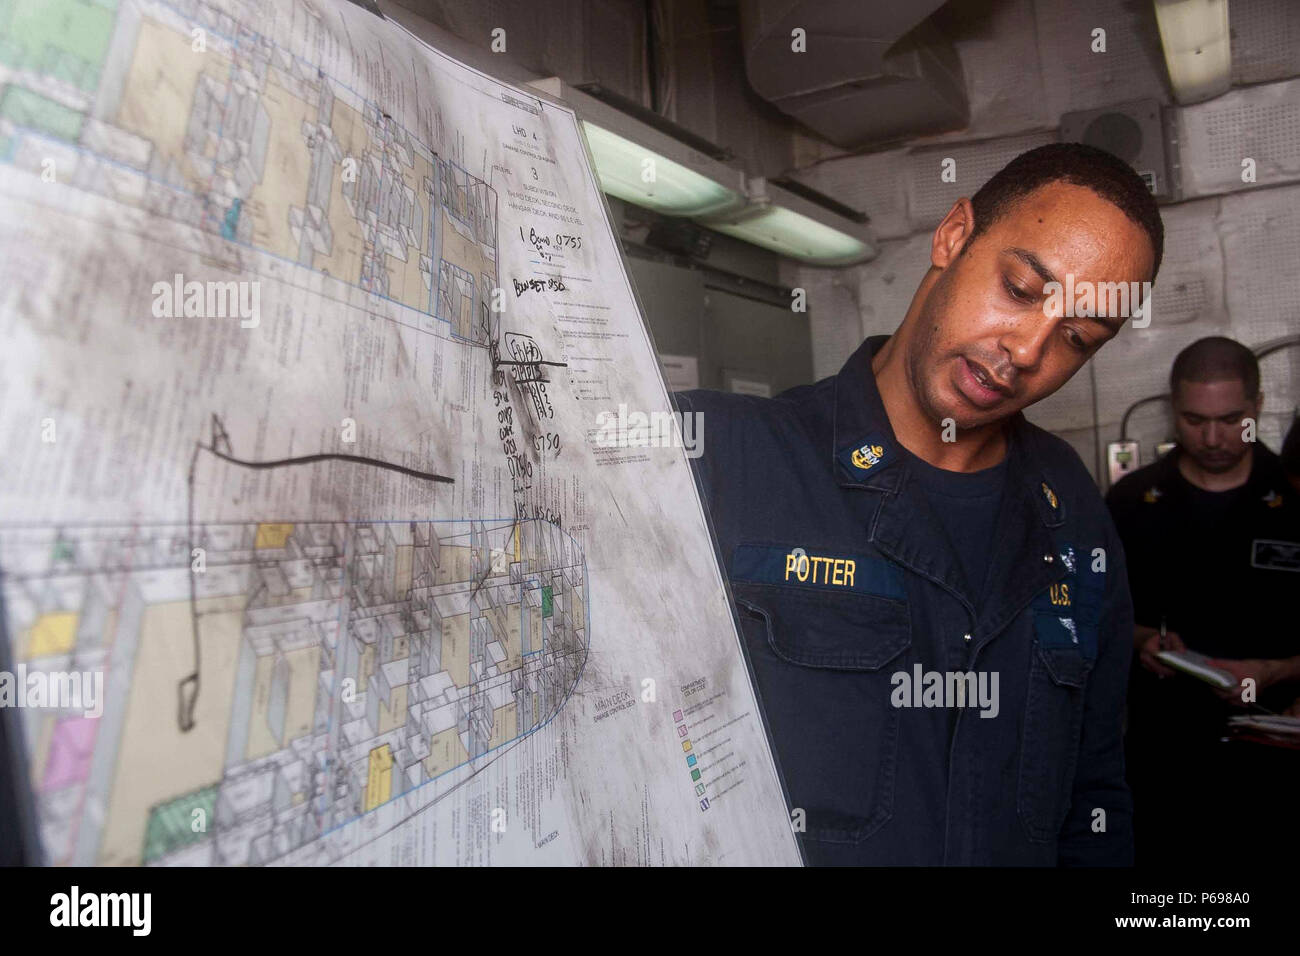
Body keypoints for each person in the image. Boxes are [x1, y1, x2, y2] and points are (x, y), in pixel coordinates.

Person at [675, 143, 1162, 865]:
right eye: (1022, 290)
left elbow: (1094, 792)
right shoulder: (723, 460)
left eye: (1076, 337)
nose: (1025, 350)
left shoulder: (1072, 511)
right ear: (954, 235)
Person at [1106, 338, 1300, 866]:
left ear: (1257, 407)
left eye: (1230, 419)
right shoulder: (1130, 502)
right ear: (1173, 409)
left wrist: (1275, 669)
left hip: (1276, 763)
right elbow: (1096, 619)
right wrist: (1145, 642)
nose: (1212, 437)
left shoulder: (1295, 495)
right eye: (1194, 420)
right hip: (1165, 761)